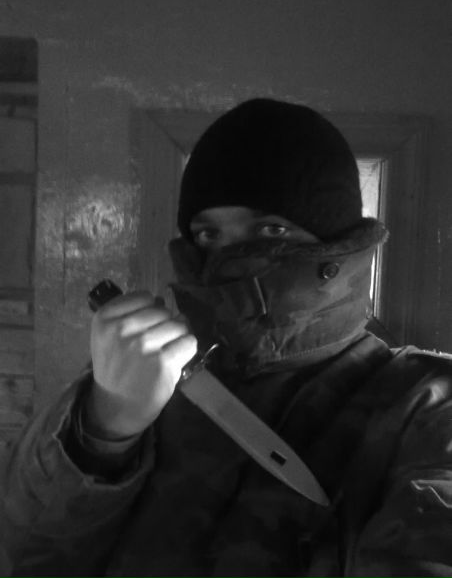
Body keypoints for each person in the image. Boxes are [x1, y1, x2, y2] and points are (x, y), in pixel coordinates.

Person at [2, 98, 452, 578]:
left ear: (335, 243)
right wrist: (106, 426)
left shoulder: (424, 405)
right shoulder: (140, 374)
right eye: (208, 235)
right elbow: (27, 556)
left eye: (271, 228)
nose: (231, 257)